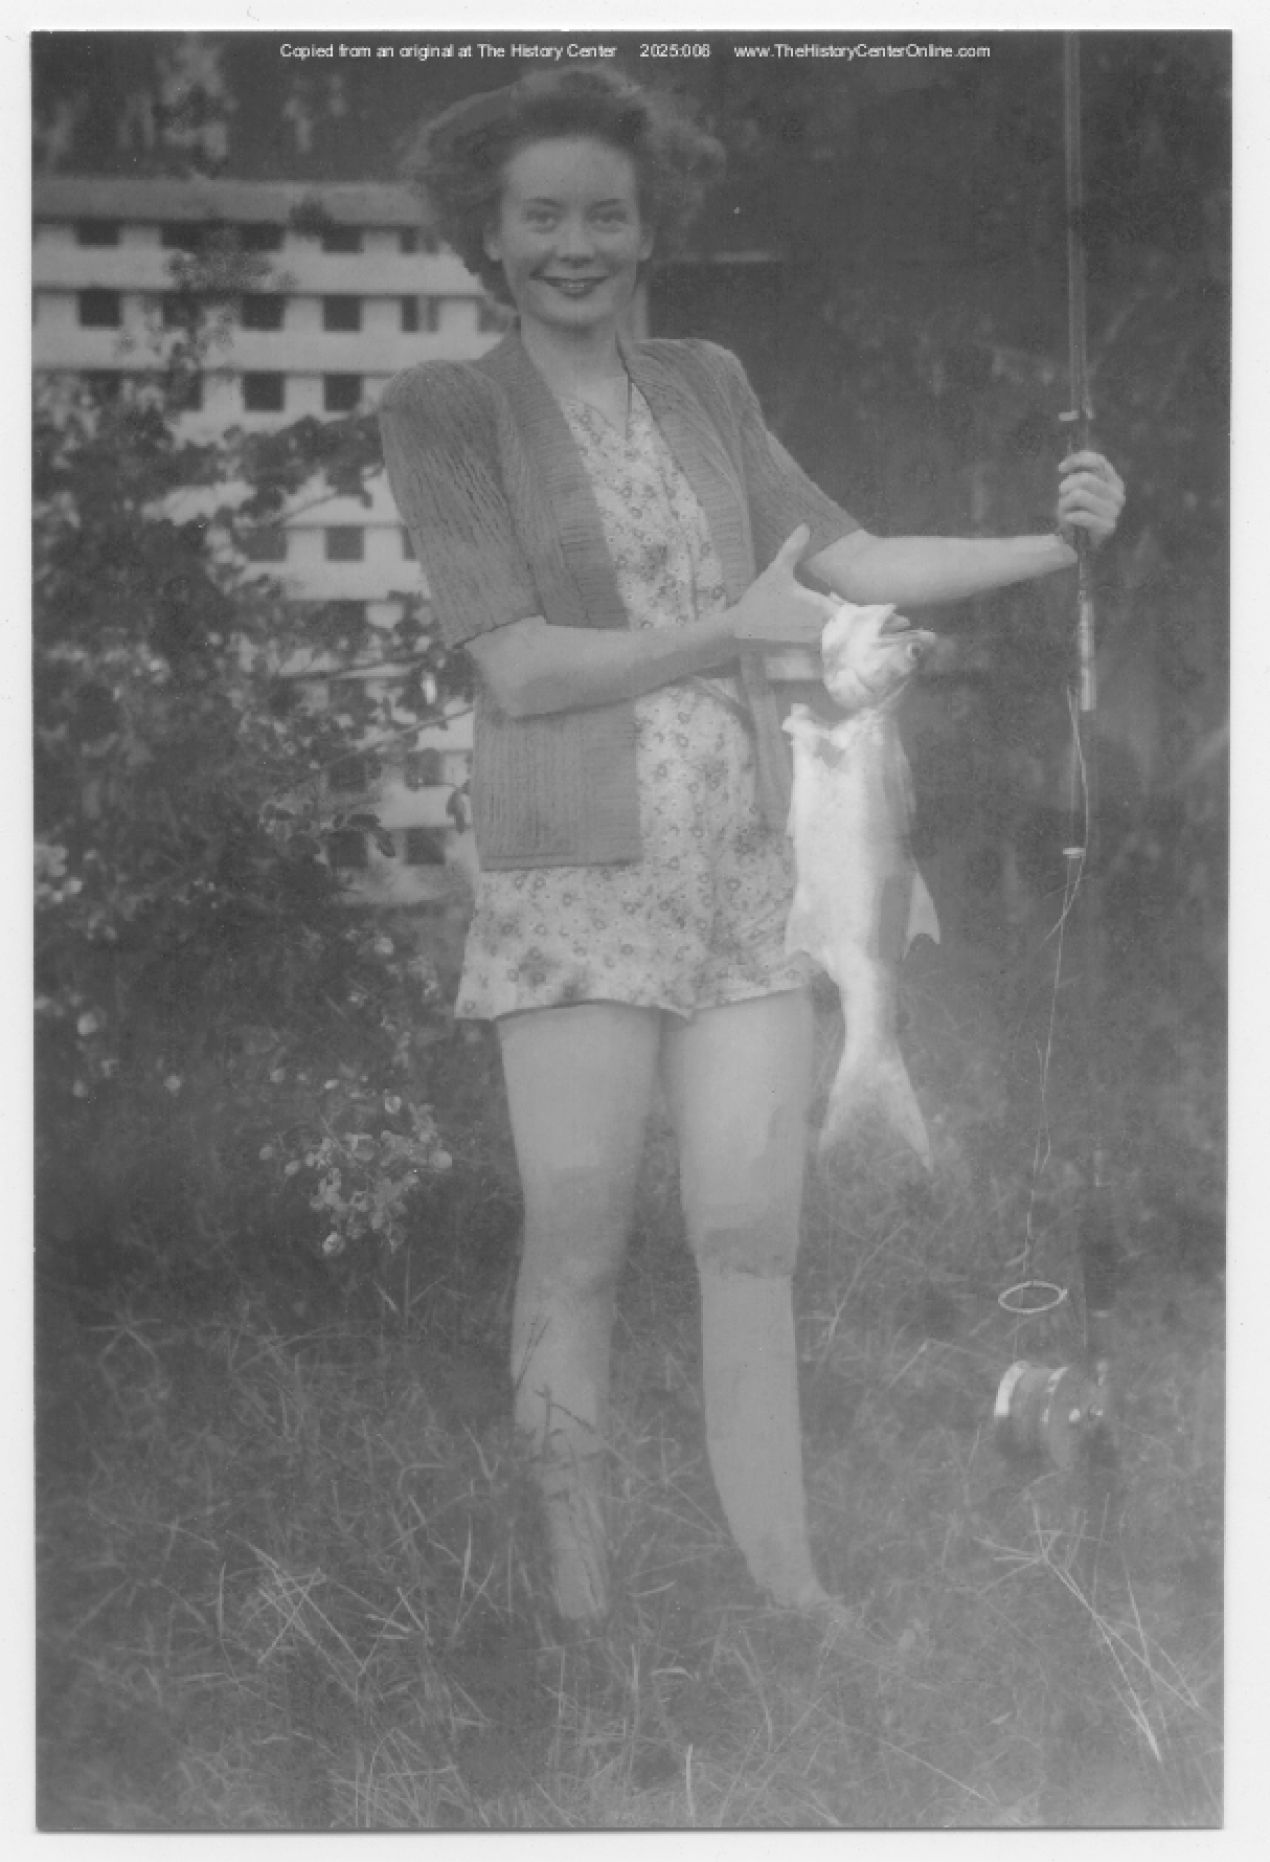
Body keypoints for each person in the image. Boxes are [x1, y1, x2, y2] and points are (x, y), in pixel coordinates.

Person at [379, 66, 1125, 1629]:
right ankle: (581, 1601)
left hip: (748, 882)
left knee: (748, 1234)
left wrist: (1055, 541)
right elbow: (514, 664)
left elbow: (849, 558)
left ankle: (786, 1583)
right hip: (569, 883)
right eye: (542, 218)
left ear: (650, 230)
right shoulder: (445, 413)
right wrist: (729, 627)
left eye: (607, 213)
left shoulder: (708, 385)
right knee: (576, 1239)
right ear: (491, 238)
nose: (576, 243)